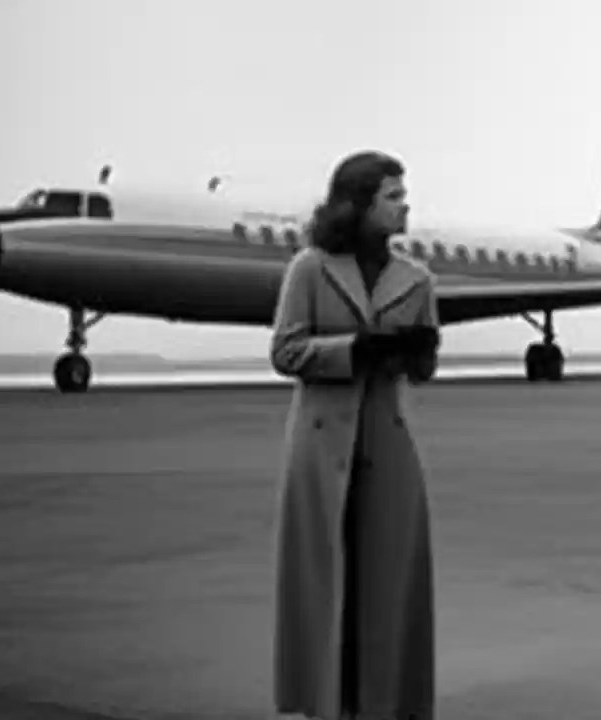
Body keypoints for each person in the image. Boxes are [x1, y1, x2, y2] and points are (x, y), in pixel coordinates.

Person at [269, 150, 440, 720]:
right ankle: (318, 703)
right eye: (392, 195)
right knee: (321, 582)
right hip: (320, 447)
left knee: (390, 583)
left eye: (403, 194)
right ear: (359, 203)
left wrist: (421, 353)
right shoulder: (309, 268)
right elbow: (285, 352)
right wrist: (355, 350)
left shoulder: (418, 280)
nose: (405, 204)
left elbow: (421, 372)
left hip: (388, 445)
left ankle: (387, 704)